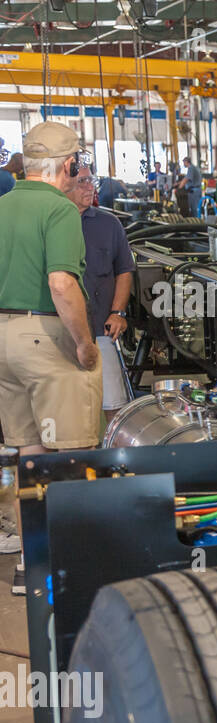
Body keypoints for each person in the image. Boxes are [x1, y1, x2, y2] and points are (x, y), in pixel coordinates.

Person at [0, 122, 103, 595]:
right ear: (70, 165)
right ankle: (73, 569)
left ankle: (31, 564)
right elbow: (62, 284)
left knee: (28, 453)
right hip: (46, 337)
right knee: (72, 455)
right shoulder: (60, 210)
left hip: (3, 339)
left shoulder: (3, 206)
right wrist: (83, 345)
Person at [62, 164, 135, 421]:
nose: (89, 186)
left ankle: (114, 456)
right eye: (82, 181)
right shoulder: (54, 222)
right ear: (65, 183)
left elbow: (124, 270)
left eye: (91, 180)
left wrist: (117, 312)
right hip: (61, 332)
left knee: (113, 403)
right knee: (67, 408)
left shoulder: (108, 224)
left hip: (101, 329)